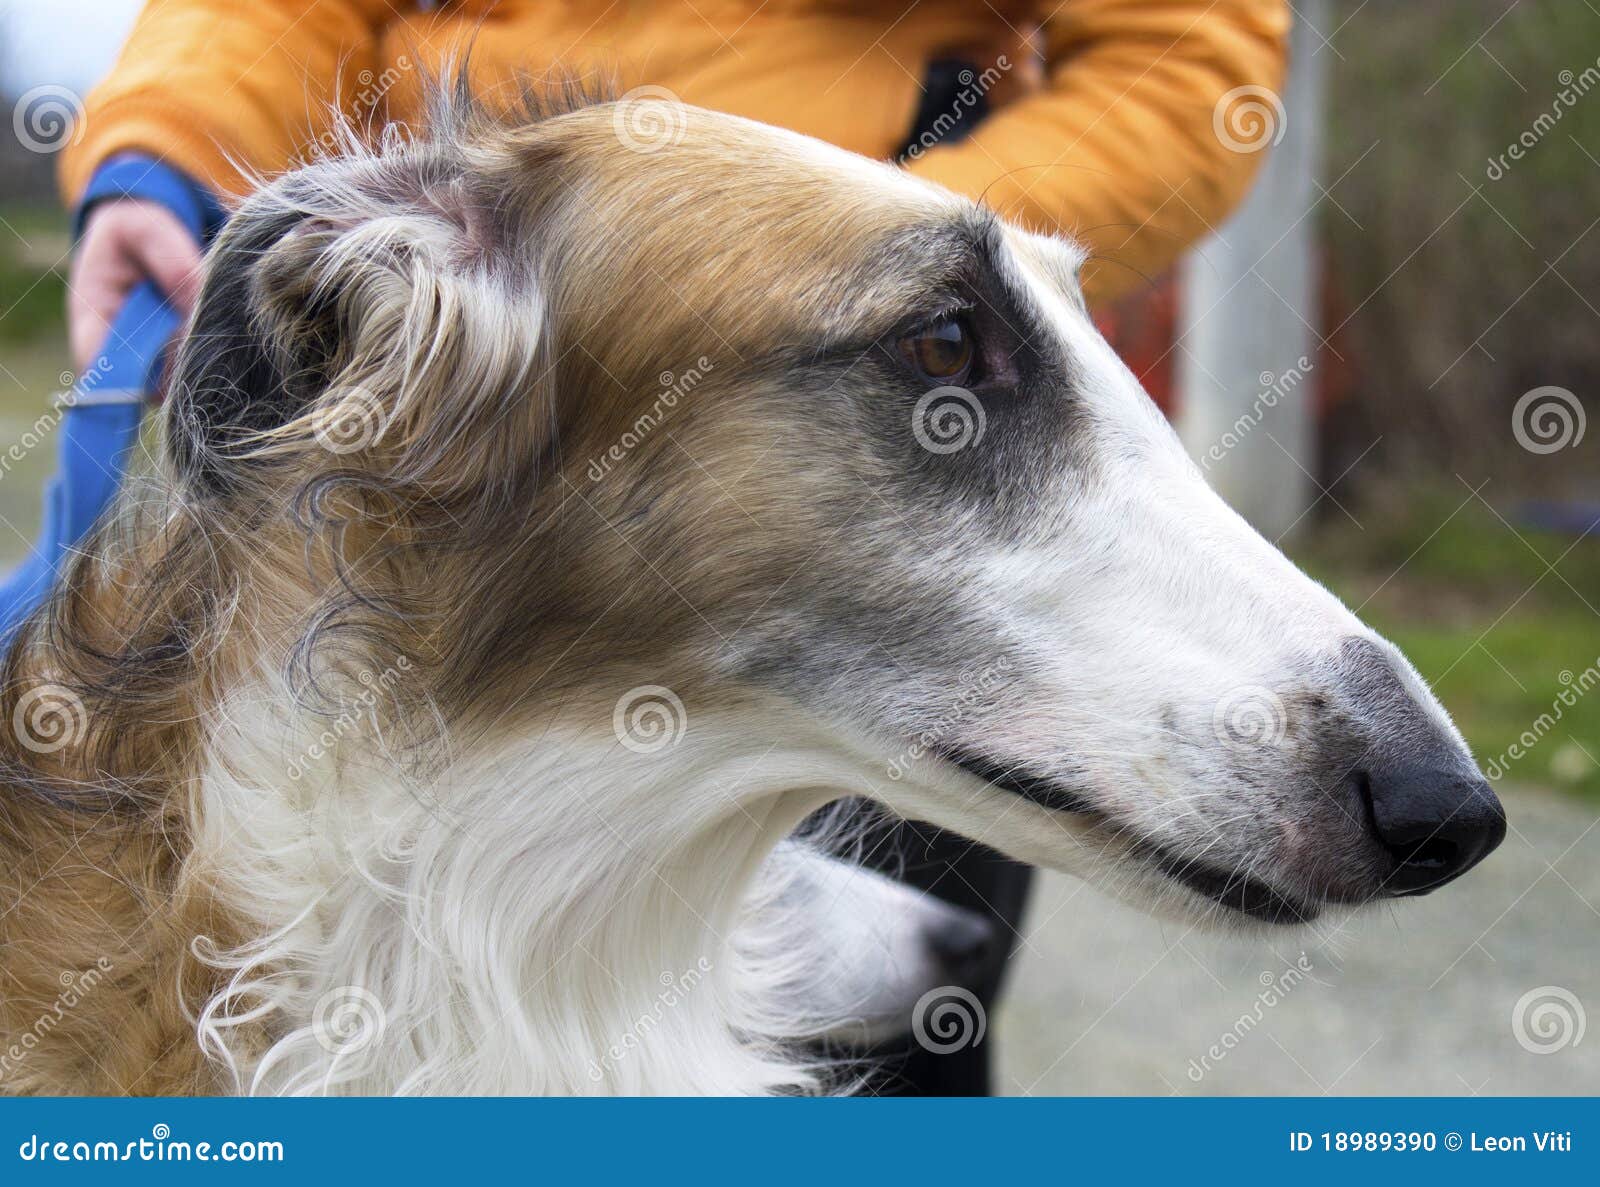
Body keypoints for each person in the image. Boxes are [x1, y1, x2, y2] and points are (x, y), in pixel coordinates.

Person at [53, 0, 1290, 1096]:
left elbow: (1181, 61)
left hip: (867, 421)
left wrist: (875, 255)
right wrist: (162, 155)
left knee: (898, 1042)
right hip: (486, 390)